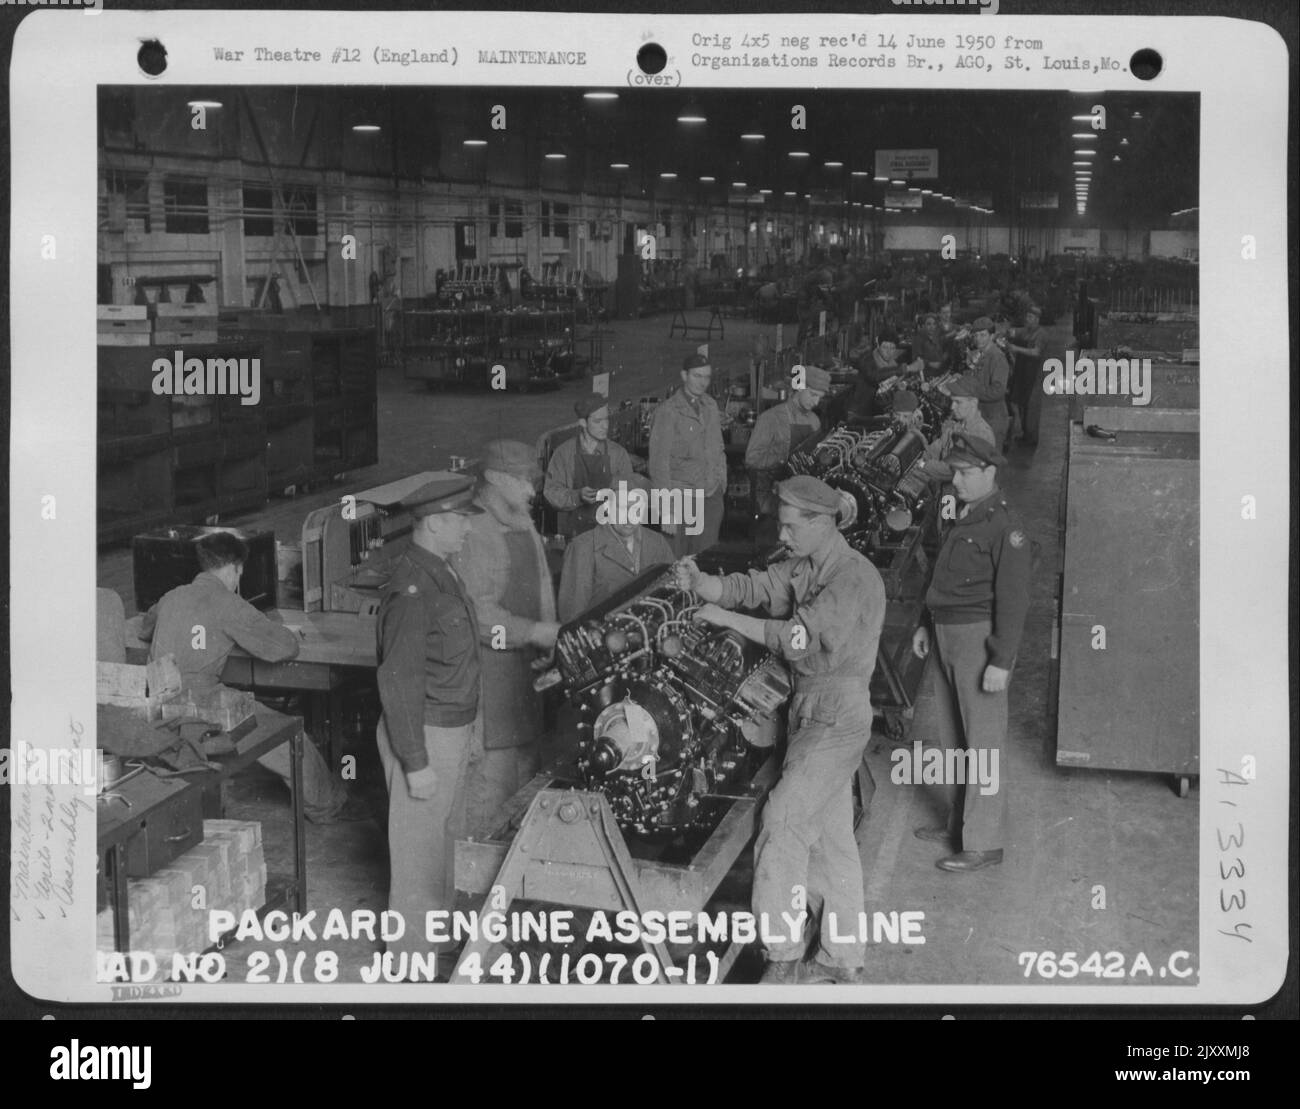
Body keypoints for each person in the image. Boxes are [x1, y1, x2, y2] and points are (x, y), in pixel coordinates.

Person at [674, 475, 887, 984]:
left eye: (792, 526)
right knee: (831, 837)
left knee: (785, 822)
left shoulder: (852, 577)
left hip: (836, 713)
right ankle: (843, 957)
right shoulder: (806, 564)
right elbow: (758, 585)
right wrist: (705, 584)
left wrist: (723, 617)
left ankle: (783, 954)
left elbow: (794, 637)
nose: (783, 535)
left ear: (822, 523)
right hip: (808, 709)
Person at [138, 531, 362, 824]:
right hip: (199, 708)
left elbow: (145, 628)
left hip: (155, 703)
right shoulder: (230, 604)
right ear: (235, 568)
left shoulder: (171, 596)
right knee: (289, 732)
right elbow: (285, 647)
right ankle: (326, 806)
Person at [375, 476, 484, 963]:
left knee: (443, 847)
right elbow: (397, 680)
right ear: (436, 522)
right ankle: (409, 965)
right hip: (425, 735)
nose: (466, 529)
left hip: (452, 731)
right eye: (460, 520)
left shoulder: (443, 570)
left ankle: (433, 944)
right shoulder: (413, 587)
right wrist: (415, 761)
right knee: (418, 859)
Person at [910, 435, 1031, 873]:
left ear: (990, 472)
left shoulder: (1004, 526)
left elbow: (1014, 601)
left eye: (965, 473)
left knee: (982, 744)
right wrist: (926, 624)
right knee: (954, 737)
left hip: (978, 640)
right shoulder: (963, 515)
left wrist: (1001, 660)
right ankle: (959, 823)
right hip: (946, 634)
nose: (955, 480)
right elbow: (942, 577)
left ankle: (983, 842)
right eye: (954, 471)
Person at [455, 440, 560, 834]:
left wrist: (551, 640)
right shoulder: (475, 529)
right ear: (496, 478)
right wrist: (536, 631)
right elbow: (477, 615)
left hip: (527, 683)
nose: (532, 491)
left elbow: (543, 584)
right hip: (491, 689)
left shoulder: (522, 521)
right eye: (523, 481)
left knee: (526, 786)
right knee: (490, 794)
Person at [556, 473, 676, 623]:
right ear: (607, 507)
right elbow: (572, 616)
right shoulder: (582, 548)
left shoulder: (657, 542)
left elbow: (673, 593)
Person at [648, 353, 727, 557]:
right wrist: (666, 511)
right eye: (697, 376)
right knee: (675, 563)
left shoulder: (710, 406)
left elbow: (718, 448)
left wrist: (720, 485)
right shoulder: (668, 411)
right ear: (684, 376)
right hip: (680, 498)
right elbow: (659, 464)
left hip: (710, 497)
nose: (702, 382)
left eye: (706, 377)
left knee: (704, 561)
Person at [745, 364, 829, 529]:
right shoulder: (771, 418)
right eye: (813, 395)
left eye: (820, 397)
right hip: (774, 493)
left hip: (802, 492)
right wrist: (786, 458)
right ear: (799, 388)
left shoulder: (814, 421)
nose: (816, 402)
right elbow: (751, 459)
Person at [543, 394, 636, 539]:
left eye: (606, 419)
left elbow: (629, 493)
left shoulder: (618, 454)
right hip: (575, 535)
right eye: (598, 421)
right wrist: (577, 496)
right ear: (583, 423)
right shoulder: (564, 454)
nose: (605, 425)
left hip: (611, 536)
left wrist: (616, 495)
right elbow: (551, 492)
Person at [917, 378, 997, 481]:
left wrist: (922, 465)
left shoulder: (981, 434)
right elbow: (935, 449)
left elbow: (952, 469)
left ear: (973, 403)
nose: (952, 407)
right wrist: (920, 458)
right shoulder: (957, 427)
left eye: (958, 402)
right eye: (952, 401)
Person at [954, 316, 1011, 452]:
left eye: (983, 335)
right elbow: (981, 378)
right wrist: (963, 378)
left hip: (994, 419)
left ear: (991, 336)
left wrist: (971, 391)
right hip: (984, 416)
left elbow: (997, 391)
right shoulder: (983, 354)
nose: (979, 339)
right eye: (976, 335)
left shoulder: (997, 357)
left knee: (991, 465)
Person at [849, 329, 923, 422]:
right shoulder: (867, 359)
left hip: (880, 410)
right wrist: (906, 368)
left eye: (892, 348)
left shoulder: (892, 364)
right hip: (861, 414)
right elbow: (875, 375)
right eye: (885, 347)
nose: (888, 352)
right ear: (878, 345)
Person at [1005, 304, 1046, 446]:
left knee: (1031, 406)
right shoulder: (1026, 331)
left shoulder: (1041, 333)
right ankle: (1025, 433)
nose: (1027, 319)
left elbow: (1036, 352)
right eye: (1027, 316)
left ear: (1037, 319)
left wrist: (1015, 348)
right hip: (1022, 373)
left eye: (1031, 317)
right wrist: (1004, 332)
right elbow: (1014, 332)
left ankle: (1031, 438)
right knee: (1021, 403)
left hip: (1035, 375)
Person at [912, 313, 947, 377]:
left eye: (934, 324)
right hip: (925, 374)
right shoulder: (918, 338)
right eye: (928, 324)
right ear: (923, 325)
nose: (932, 327)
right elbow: (916, 359)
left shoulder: (935, 336)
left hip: (938, 373)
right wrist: (930, 363)